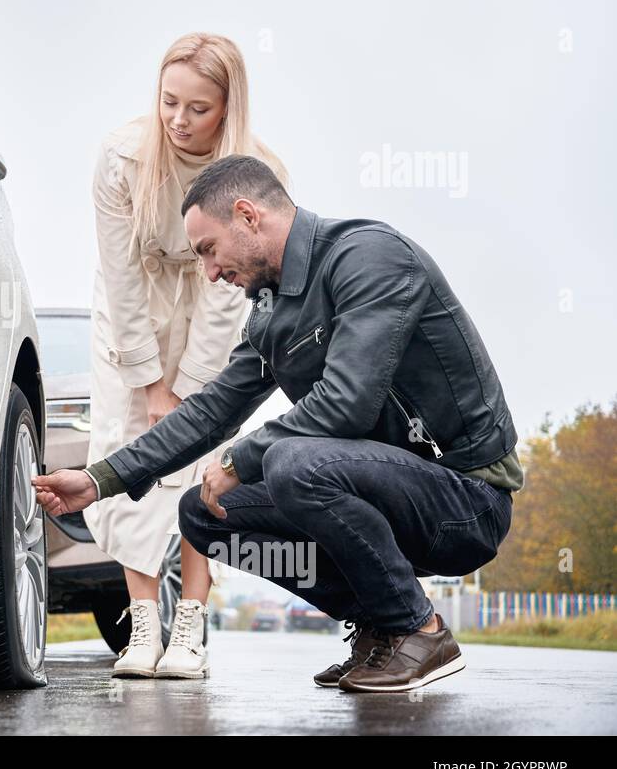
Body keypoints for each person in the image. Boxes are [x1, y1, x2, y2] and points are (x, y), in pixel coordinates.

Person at [34, 154, 522, 693]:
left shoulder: (371, 258)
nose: (211, 272)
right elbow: (210, 410)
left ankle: (419, 629)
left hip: (464, 500)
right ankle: (380, 624)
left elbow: (346, 402)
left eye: (208, 250)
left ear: (247, 215)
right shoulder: (271, 312)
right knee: (203, 513)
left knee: (293, 462)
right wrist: (100, 479)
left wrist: (238, 458)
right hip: (378, 489)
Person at [86, 33, 289, 680]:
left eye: (197, 108)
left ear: (228, 108)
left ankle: (191, 628)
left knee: (197, 458)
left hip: (213, 305)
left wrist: (191, 390)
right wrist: (149, 383)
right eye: (169, 102)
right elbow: (119, 275)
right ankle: (142, 628)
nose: (178, 119)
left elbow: (231, 294)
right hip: (133, 309)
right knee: (128, 454)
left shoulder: (257, 175)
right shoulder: (121, 157)